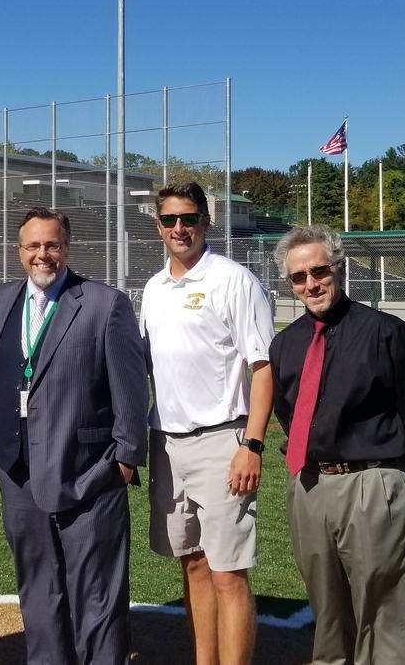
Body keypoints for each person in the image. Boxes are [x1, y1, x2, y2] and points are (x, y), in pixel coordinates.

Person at [0, 207, 148, 665]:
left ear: (66, 248)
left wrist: (125, 458)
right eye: (33, 245)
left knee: (98, 597)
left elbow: (130, 385)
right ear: (19, 250)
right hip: (19, 475)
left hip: (88, 473)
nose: (42, 254)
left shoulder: (105, 303)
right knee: (38, 591)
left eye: (51, 245)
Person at [269, 223, 405, 665]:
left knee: (380, 607)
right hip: (310, 486)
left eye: (319, 270)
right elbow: (289, 416)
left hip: (373, 481)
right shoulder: (285, 344)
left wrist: (398, 481)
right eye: (298, 277)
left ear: (339, 268)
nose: (311, 283)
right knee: (326, 609)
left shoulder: (386, 332)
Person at [139, 181, 275, 665]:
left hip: (223, 442)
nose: (181, 228)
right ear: (158, 226)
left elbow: (263, 368)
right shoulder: (154, 289)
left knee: (228, 572)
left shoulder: (234, 280)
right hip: (168, 445)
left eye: (189, 218)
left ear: (206, 222)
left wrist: (252, 445)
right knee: (192, 564)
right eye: (171, 219)